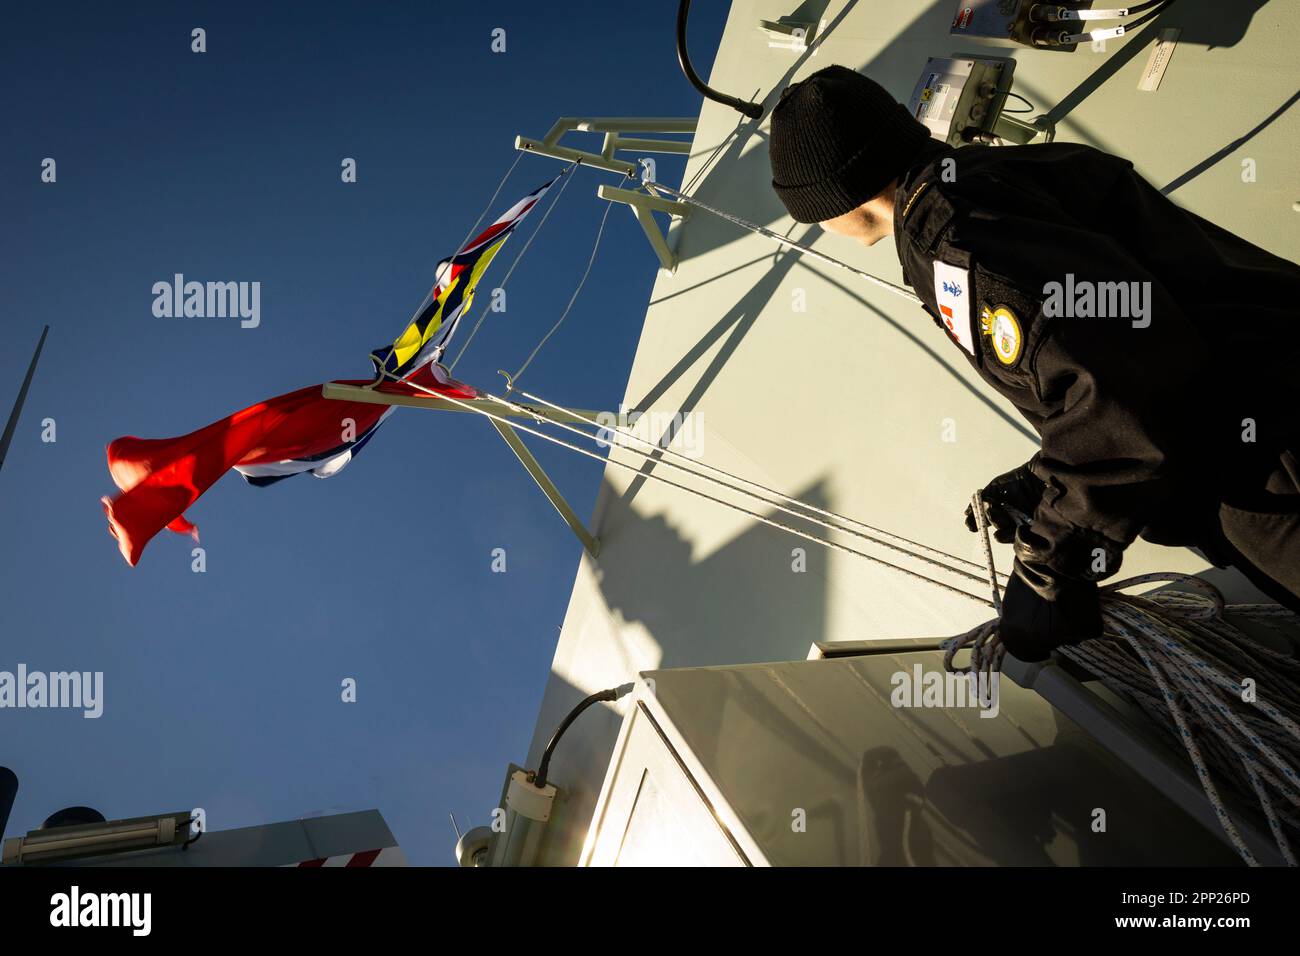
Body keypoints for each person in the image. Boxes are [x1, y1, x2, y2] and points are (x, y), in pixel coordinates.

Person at [767, 64, 1300, 661]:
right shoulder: (1015, 172)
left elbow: (1122, 387)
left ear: (835, 201)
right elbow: (1132, 342)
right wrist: (1044, 480)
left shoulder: (950, 246)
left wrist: (1051, 562)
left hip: (1271, 471)